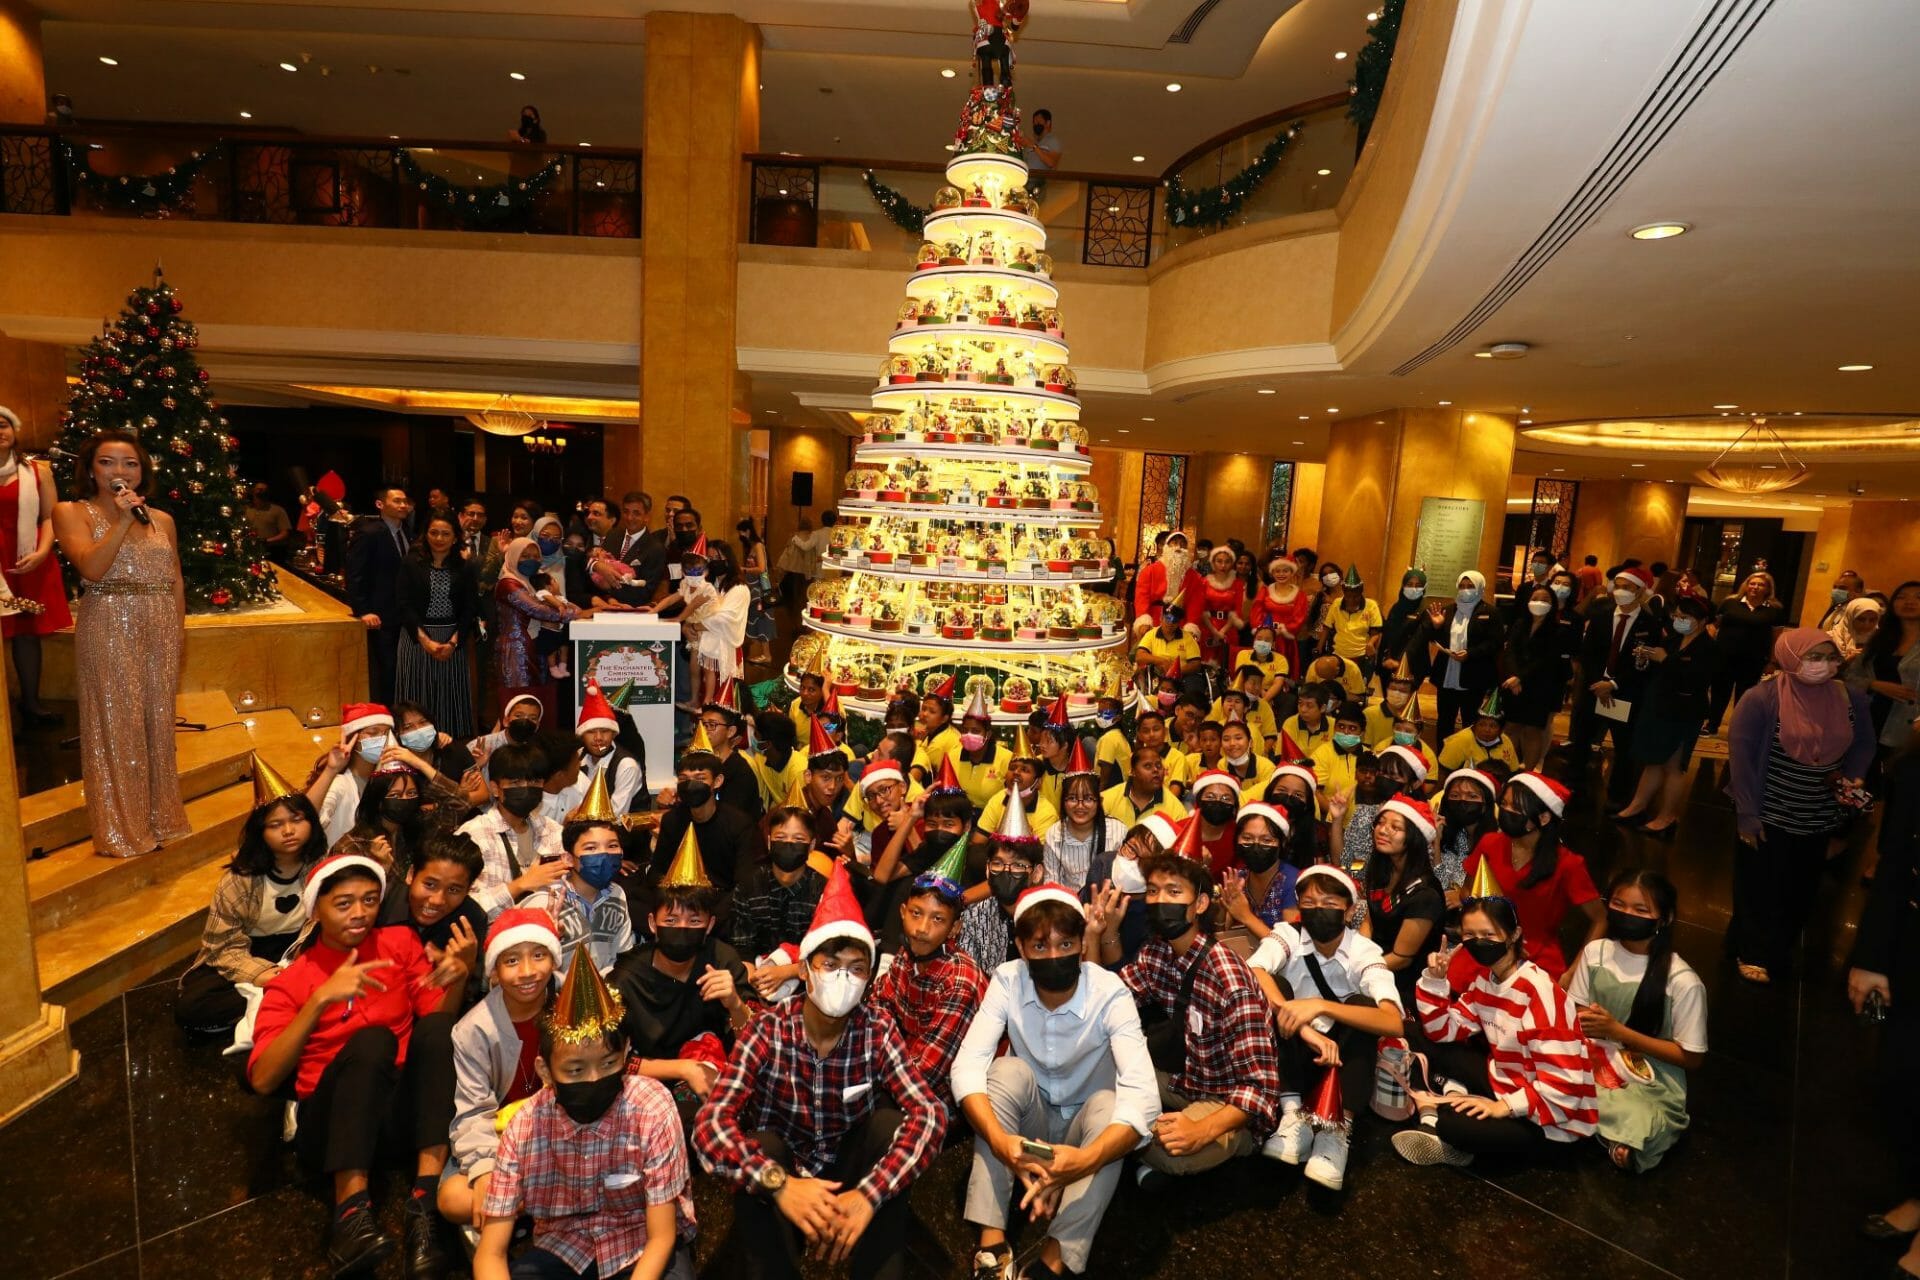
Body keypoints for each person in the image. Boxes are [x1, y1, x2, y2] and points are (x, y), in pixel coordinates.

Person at [693, 865, 947, 1280]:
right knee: (760, 1146)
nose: (843, 977)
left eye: (856, 968)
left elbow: (930, 1113)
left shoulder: (877, 1028)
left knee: (889, 1127)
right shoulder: (768, 1028)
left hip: (849, 1173)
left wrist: (870, 1193)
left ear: (868, 978)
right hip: (785, 1173)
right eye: (830, 964)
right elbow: (710, 1124)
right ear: (805, 970)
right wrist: (778, 1182)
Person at [246, 851, 458, 1276]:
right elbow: (264, 1080)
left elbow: (439, 1019)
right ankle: (350, 1217)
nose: (360, 913)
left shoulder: (398, 944)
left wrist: (459, 976)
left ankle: (425, 1204)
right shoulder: (292, 981)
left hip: (397, 1118)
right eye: (344, 903)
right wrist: (320, 999)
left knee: (437, 1030)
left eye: (370, 900)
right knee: (372, 1041)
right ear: (316, 910)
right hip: (332, 1130)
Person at [953, 886, 1157, 1279]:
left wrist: (1083, 1162)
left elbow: (1143, 1096)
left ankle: (1055, 1255)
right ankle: (992, 1244)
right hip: (1031, 1126)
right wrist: (1000, 1142)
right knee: (1004, 1073)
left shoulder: (1110, 993)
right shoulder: (1008, 980)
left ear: (1082, 944)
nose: (1053, 956)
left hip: (1084, 1132)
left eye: (1065, 944)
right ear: (1020, 947)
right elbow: (967, 1068)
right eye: (1039, 946)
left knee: (1111, 1107)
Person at [474, 960, 699, 1280]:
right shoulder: (524, 1127)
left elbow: (660, 1237)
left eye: (608, 1064)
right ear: (545, 1071)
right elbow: (491, 1252)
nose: (594, 1079)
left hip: (639, 1245)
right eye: (576, 1070)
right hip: (562, 1248)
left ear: (626, 1055)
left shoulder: (652, 1110)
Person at [1092, 852, 1282, 1185]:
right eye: (1153, 891)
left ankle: (1226, 1142)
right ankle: (1136, 1136)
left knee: (1165, 1150)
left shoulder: (1228, 978)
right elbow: (1107, 1002)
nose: (1159, 900)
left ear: (1201, 904)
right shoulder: (1158, 951)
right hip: (1186, 1079)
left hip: (1227, 1099)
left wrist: (1201, 1130)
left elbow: (1260, 1089)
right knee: (1094, 1069)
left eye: (1174, 891)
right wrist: (1094, 934)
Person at [52, 430, 190, 858]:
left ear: (142, 471)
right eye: (107, 462)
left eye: (130, 463)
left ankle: (162, 818)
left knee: (157, 723)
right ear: (91, 470)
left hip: (160, 624)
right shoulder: (71, 511)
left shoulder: (162, 520)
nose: (120, 471)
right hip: (108, 621)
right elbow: (92, 568)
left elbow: (175, 579)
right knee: (118, 723)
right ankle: (122, 830)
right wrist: (123, 521)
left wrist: (177, 633)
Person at [1395, 896, 1596, 1167]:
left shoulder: (1539, 992)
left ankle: (1444, 1110)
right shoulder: (1486, 981)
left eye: (1488, 934)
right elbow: (1441, 1031)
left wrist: (1503, 1107)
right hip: (1506, 1080)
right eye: (1470, 935)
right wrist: (1436, 980)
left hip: (1555, 1119)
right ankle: (1451, 1095)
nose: (1479, 942)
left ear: (1514, 934)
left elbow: (1566, 1086)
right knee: (1413, 1034)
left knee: (1455, 1126)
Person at [1728, 628, 1875, 984]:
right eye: (1814, 657)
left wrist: (1853, 776)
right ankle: (1751, 950)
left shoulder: (1849, 697)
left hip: (1819, 812)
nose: (1824, 665)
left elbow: (1864, 743)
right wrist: (1747, 815)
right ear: (1790, 658)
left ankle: (1779, 946)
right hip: (1770, 809)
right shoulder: (1762, 698)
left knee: (1801, 887)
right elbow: (1742, 760)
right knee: (1760, 884)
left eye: (1830, 658)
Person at [1245, 865, 1405, 1186]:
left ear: (1349, 911)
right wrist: (1297, 1019)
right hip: (1294, 1050)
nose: (1319, 910)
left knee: (1363, 1006)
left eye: (1330, 903)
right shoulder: (1288, 935)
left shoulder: (1363, 951)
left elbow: (1393, 1021)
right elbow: (1254, 970)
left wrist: (1320, 1005)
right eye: (1309, 903)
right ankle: (1293, 1115)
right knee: (1274, 987)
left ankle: (1337, 1129)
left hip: (1342, 1062)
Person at [175, 758, 329, 1033]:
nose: (288, 831)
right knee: (193, 1005)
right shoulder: (239, 880)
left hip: (300, 946)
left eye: (297, 820)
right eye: (275, 825)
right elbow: (222, 946)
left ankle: (272, 1004)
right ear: (261, 832)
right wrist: (259, 974)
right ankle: (284, 1002)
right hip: (247, 949)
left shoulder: (320, 867)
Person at [1568, 869, 1706, 1172]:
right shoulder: (1595, 953)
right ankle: (1608, 1130)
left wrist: (1618, 1032)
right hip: (1595, 1057)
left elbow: (1691, 1057)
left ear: (1665, 918)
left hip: (1650, 1075)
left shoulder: (1682, 981)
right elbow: (1577, 1014)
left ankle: (1616, 1127)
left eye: (1641, 910)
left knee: (1639, 1114)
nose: (1627, 914)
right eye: (1619, 905)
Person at [440, 907, 563, 1232]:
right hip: (503, 1137)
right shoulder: (474, 1029)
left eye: (539, 955)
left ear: (554, 959)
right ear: (494, 971)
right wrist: (485, 1171)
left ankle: (521, 1210)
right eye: (511, 961)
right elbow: (473, 1112)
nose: (527, 972)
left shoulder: (571, 1001)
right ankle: (552, 1204)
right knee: (454, 1198)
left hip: (566, 1130)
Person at [1851, 743, 1920, 1269]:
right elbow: (1894, 863)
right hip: (1912, 949)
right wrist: (1871, 958)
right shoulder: (1916, 767)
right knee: (1901, 1081)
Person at [867, 841, 989, 1118]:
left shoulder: (960, 980)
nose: (921, 928)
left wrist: (867, 1073)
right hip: (894, 1074)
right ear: (902, 913)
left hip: (941, 1100)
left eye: (937, 919)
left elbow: (927, 1071)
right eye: (916, 914)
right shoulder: (907, 954)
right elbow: (876, 1012)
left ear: (954, 928)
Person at [1462, 772, 1601, 983]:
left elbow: (1600, 918)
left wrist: (1576, 970)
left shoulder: (1568, 864)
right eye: (1504, 804)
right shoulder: (1490, 843)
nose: (1506, 811)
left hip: (1537, 957)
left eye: (1516, 808)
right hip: (1485, 948)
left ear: (1544, 818)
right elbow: (1467, 892)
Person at [1615, 594, 1718, 835]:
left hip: (1684, 713)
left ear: (1702, 620)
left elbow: (1697, 680)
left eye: (1685, 617)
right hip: (1658, 707)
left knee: (1673, 766)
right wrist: (1645, 658)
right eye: (1677, 616)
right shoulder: (1672, 639)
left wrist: (1666, 660)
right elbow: (1659, 670)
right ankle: (1637, 806)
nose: (1679, 620)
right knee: (1653, 760)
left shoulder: (1709, 647)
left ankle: (1667, 816)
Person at [1568, 565, 1665, 809]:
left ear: (1640, 591)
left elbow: (1644, 664)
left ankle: (1617, 795)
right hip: (1594, 689)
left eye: (1627, 588)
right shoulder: (1601, 615)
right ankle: (1573, 787)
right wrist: (1597, 683)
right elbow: (1587, 654)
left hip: (1625, 693)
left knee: (1624, 746)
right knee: (1582, 739)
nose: (1620, 592)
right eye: (1618, 587)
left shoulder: (1650, 624)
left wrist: (1613, 683)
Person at [0, 406, 72, 726]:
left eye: (3, 425)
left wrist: (43, 552)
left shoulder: (37, 471)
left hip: (26, 559)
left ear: (14, 430)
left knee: (26, 634)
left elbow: (50, 517)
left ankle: (31, 704)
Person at [523, 796, 635, 979]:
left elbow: (622, 956)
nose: (604, 854)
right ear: (568, 859)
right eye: (591, 848)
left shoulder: (617, 894)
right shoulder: (544, 902)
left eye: (612, 846)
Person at [460, 740, 569, 917]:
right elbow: (464, 908)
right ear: (495, 789)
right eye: (516, 783)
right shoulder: (474, 835)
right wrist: (521, 885)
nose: (526, 789)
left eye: (534, 781)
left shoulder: (553, 830)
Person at [395, 510, 478, 741]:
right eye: (434, 532)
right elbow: (403, 604)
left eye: (445, 533)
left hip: (452, 638)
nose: (439, 538)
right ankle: (413, 743)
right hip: (416, 637)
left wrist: (453, 642)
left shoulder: (465, 566)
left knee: (449, 695)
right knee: (416, 693)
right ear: (426, 534)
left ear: (455, 537)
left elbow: (470, 607)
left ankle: (449, 746)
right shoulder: (411, 563)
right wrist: (425, 641)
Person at [1360, 794, 1446, 1007]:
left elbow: (1402, 958)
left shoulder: (1425, 893)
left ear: (1414, 838)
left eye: (1395, 827)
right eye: (1381, 823)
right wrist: (1358, 954)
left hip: (1404, 982)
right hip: (1373, 965)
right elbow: (1370, 921)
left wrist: (1360, 968)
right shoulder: (1380, 869)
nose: (1382, 830)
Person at [730, 807, 829, 987]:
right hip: (757, 974)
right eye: (781, 838)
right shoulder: (748, 887)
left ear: (811, 845)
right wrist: (752, 981)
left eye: (798, 839)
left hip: (810, 978)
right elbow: (743, 946)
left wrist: (786, 972)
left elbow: (829, 952)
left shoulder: (825, 891)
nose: (789, 844)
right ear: (769, 842)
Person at [345, 486, 414, 705]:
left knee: (405, 668)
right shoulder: (369, 533)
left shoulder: (408, 532)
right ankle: (386, 714)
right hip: (381, 615)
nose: (403, 505)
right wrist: (363, 610)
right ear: (380, 504)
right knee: (387, 669)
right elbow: (355, 574)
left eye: (405, 501)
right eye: (397, 501)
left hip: (405, 613)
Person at [493, 535, 575, 713]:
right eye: (525, 556)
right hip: (516, 651)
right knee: (519, 703)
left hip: (536, 647)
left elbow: (555, 601)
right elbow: (536, 610)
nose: (531, 560)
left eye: (535, 556)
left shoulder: (531, 582)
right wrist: (573, 614)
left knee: (540, 703)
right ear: (513, 556)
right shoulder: (508, 583)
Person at [1500, 582, 1578, 768]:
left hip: (1540, 687)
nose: (1539, 602)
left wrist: (1520, 677)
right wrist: (1513, 676)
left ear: (1552, 604)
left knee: (1532, 731)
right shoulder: (1520, 624)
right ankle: (1506, 767)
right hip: (1514, 684)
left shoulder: (1558, 630)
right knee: (1510, 727)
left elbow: (1546, 659)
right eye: (1535, 598)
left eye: (1545, 599)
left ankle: (1528, 771)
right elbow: (1510, 652)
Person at [1419, 570, 1501, 739]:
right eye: (1462, 586)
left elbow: (1495, 643)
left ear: (1479, 587)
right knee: (1444, 721)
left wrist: (1470, 653)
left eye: (1470, 586)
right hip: (1447, 675)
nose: (1465, 590)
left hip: (1473, 677)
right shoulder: (1448, 610)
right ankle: (1443, 753)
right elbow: (1436, 640)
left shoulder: (1490, 612)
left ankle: (1467, 753)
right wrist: (1436, 627)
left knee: (1470, 721)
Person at [1704, 570, 1786, 735]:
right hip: (1724, 656)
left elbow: (1776, 637)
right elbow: (1714, 625)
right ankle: (1712, 725)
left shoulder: (1774, 609)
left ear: (1768, 589)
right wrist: (1709, 646)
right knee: (1719, 692)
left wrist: (1772, 661)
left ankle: (1739, 728)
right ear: (1746, 585)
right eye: (1752, 583)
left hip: (1753, 659)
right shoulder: (1730, 603)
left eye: (1760, 585)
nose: (1755, 587)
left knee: (1745, 696)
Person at [1216, 801, 1297, 938]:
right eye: (1247, 838)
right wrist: (1222, 909)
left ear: (1282, 843)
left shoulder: (1293, 882)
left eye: (1266, 840)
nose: (1256, 846)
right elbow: (1222, 932)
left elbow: (1290, 945)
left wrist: (1246, 916)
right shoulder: (1240, 877)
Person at [1044, 766, 1126, 893]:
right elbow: (1052, 885)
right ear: (1063, 801)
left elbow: (1126, 880)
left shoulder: (1118, 831)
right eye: (1072, 798)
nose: (1080, 806)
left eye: (1088, 799)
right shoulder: (1054, 834)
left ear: (1099, 801)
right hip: (1069, 902)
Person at [1863, 580, 1920, 758]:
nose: (1909, 602)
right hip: (1872, 715)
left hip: (1912, 723)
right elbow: (1852, 675)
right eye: (1901, 597)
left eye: (1918, 597)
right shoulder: (1880, 639)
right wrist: (1874, 684)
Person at [1432, 767, 1500, 909]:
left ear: (1485, 805)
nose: (1462, 801)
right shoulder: (1448, 834)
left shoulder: (1497, 841)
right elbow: (1441, 886)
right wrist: (1436, 843)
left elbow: (1494, 892)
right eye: (1455, 796)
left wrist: (1464, 897)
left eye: (1472, 796)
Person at [1132, 531, 1203, 638]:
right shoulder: (1149, 571)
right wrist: (1143, 621)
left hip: (1180, 623)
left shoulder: (1194, 577)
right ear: (1166, 546)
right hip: (1154, 621)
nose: (1178, 547)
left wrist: (1191, 625)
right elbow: (1142, 598)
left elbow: (1195, 603)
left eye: (1182, 544)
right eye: (1174, 543)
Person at [1437, 690, 1522, 774]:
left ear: (1501, 730)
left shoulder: (1506, 741)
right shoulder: (1459, 741)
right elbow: (1443, 771)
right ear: (1474, 725)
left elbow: (1513, 771)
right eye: (1482, 724)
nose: (1486, 730)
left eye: (1493, 726)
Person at [1323, 564, 1384, 677]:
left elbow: (1376, 632)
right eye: (1348, 596)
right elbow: (1327, 628)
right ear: (1344, 593)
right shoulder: (1337, 603)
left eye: (1355, 597)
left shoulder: (1371, 605)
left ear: (1361, 593)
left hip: (1361, 654)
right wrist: (1318, 648)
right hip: (1339, 654)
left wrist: (1371, 643)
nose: (1351, 600)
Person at [1375, 568, 1428, 698]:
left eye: (1418, 585)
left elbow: (1417, 640)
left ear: (1424, 588)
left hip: (1412, 665)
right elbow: (1388, 636)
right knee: (1389, 702)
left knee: (1403, 703)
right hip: (1389, 664)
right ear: (1403, 586)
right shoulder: (1396, 607)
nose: (1413, 588)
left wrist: (1400, 661)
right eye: (1409, 584)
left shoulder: (1425, 610)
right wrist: (1384, 659)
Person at [1195, 545, 1248, 668]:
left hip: (1229, 628)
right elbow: (1201, 608)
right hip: (1208, 627)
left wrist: (1222, 631)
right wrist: (1214, 631)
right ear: (1213, 562)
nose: (1223, 565)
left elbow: (1237, 610)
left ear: (1232, 563)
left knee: (1226, 664)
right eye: (1219, 561)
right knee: (1205, 664)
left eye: (1227, 562)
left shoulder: (1237, 584)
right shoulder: (1204, 582)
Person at [243, 481, 294, 563]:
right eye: (259, 489)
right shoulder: (246, 509)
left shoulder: (278, 510)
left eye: (264, 490)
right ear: (253, 491)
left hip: (271, 551)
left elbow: (285, 533)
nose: (261, 492)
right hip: (249, 549)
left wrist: (266, 541)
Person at [1022, 106, 1061, 173]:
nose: (1036, 124)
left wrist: (1034, 146)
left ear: (1048, 123)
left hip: (1042, 178)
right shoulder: (1031, 143)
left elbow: (1051, 163)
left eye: (1038, 121)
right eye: (1034, 123)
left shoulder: (1053, 141)